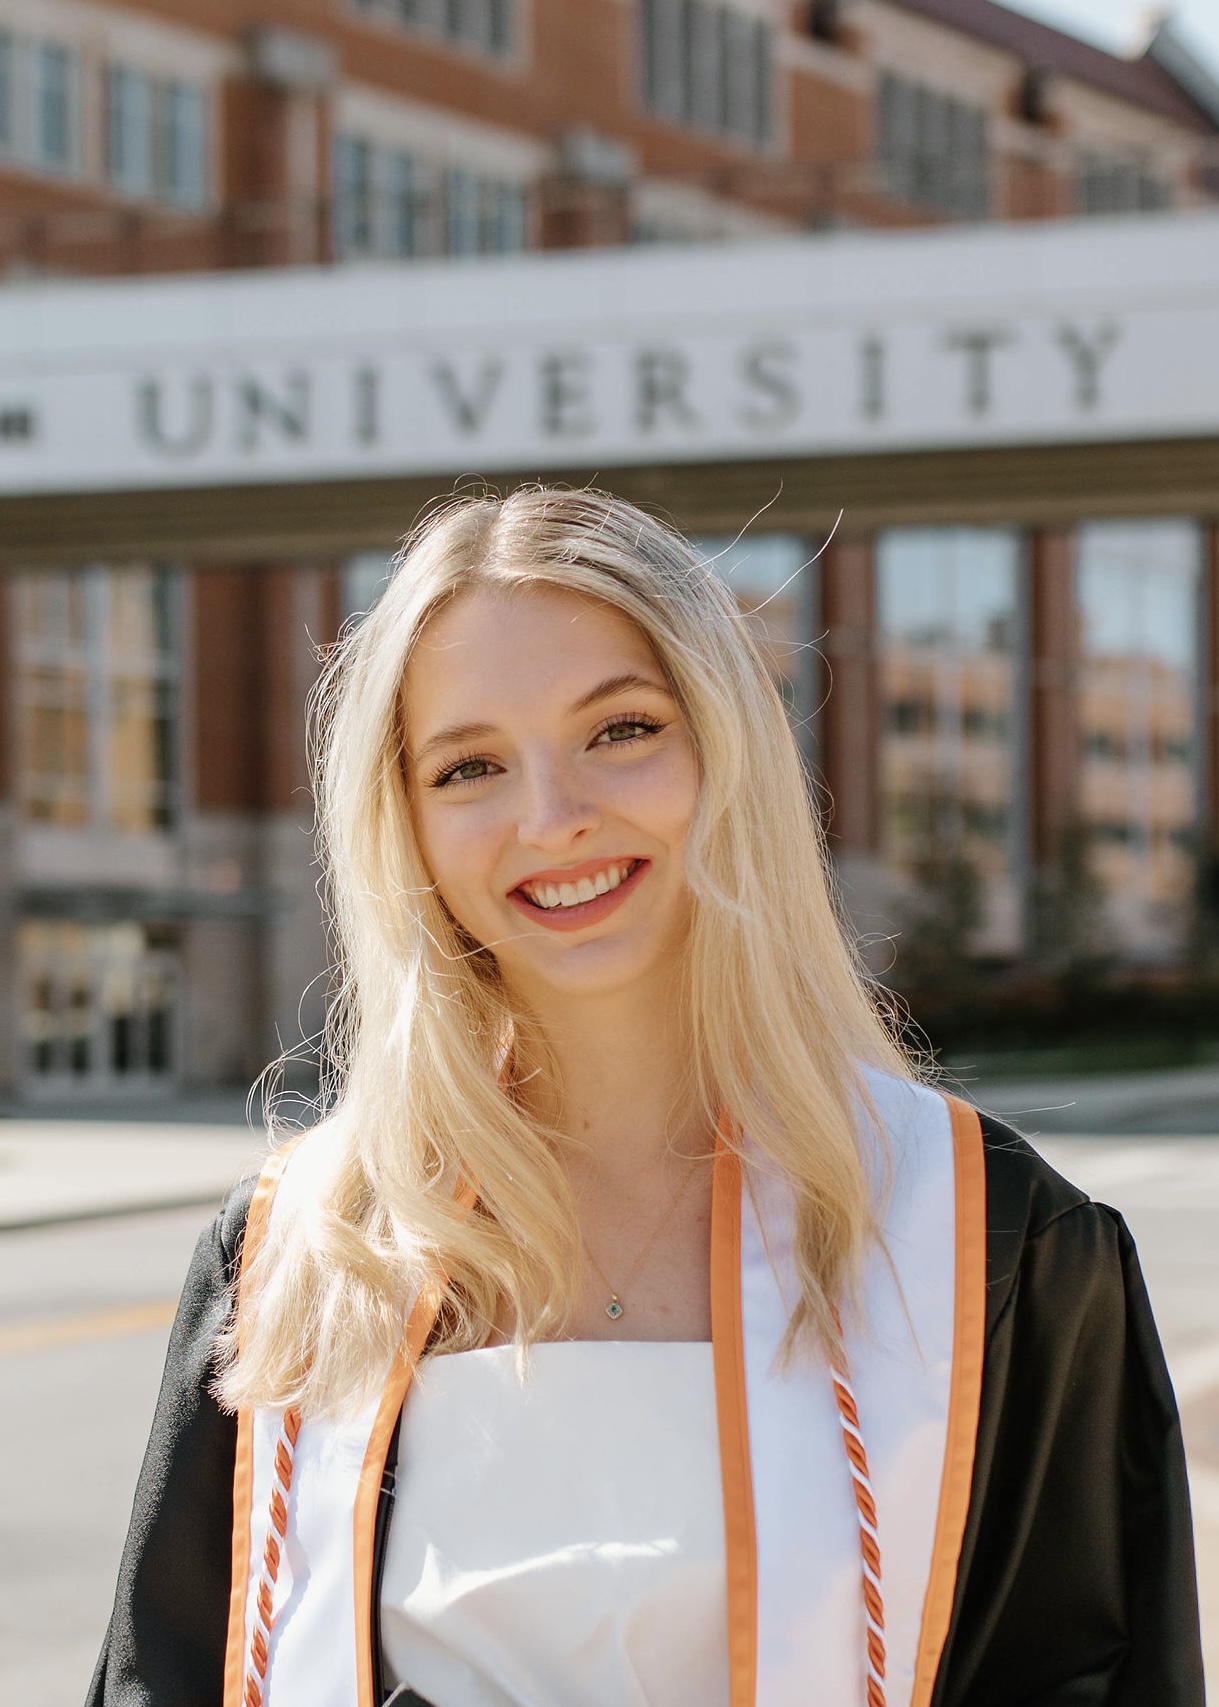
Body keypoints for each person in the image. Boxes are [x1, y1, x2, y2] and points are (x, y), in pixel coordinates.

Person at [88, 488, 1203, 1707]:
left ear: (727, 745)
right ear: (401, 826)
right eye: (468, 766)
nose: (551, 819)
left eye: (619, 732)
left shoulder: (995, 1251)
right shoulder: (296, 1262)